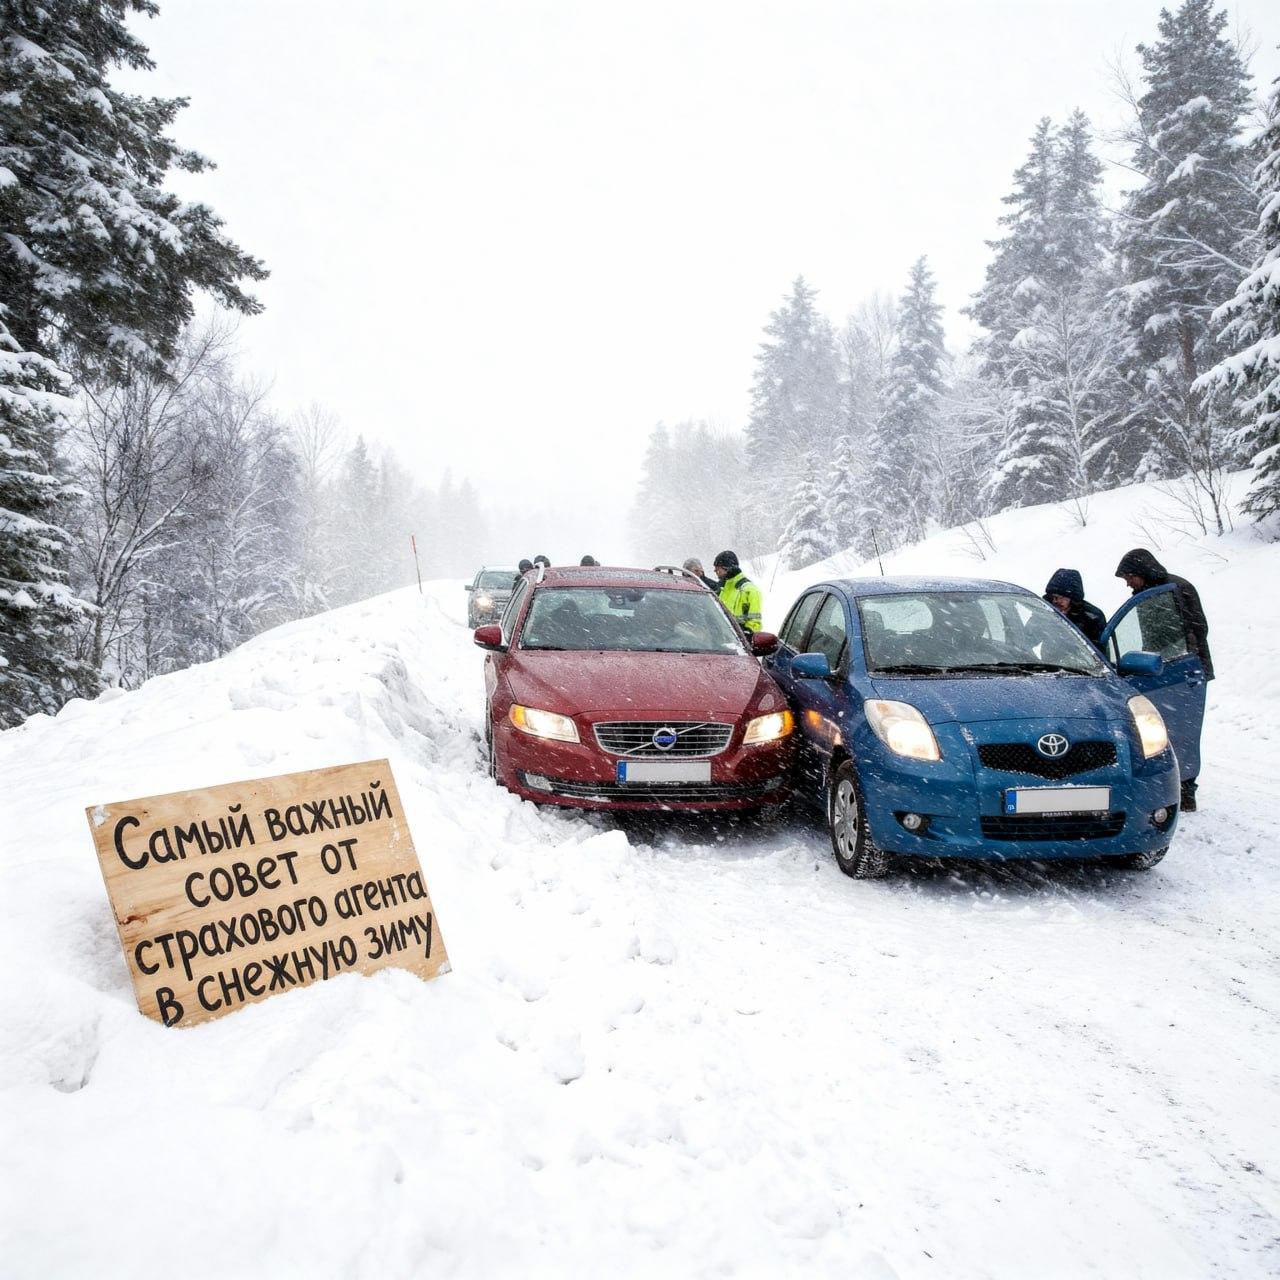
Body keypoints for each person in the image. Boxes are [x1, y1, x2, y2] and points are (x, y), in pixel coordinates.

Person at [1115, 548, 1213, 813]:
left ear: (1143, 572)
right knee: (1156, 734)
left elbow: (1196, 629)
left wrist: (1178, 658)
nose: (1128, 583)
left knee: (1184, 731)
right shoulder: (1146, 595)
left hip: (1184, 671)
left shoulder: (1177, 589)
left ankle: (1186, 789)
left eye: (1129, 577)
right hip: (1158, 672)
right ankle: (1166, 785)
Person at [1043, 568, 1106, 652]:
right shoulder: (1044, 610)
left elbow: (1097, 653)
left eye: (1060, 597)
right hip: (1046, 662)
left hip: (1080, 663)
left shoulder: (1092, 617)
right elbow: (1030, 637)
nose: (1055, 601)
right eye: (1053, 597)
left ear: (1072, 598)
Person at [712, 550, 763, 633]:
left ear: (727, 568)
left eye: (718, 570)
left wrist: (746, 634)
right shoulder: (722, 589)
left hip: (740, 643)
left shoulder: (749, 590)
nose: (716, 573)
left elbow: (755, 624)